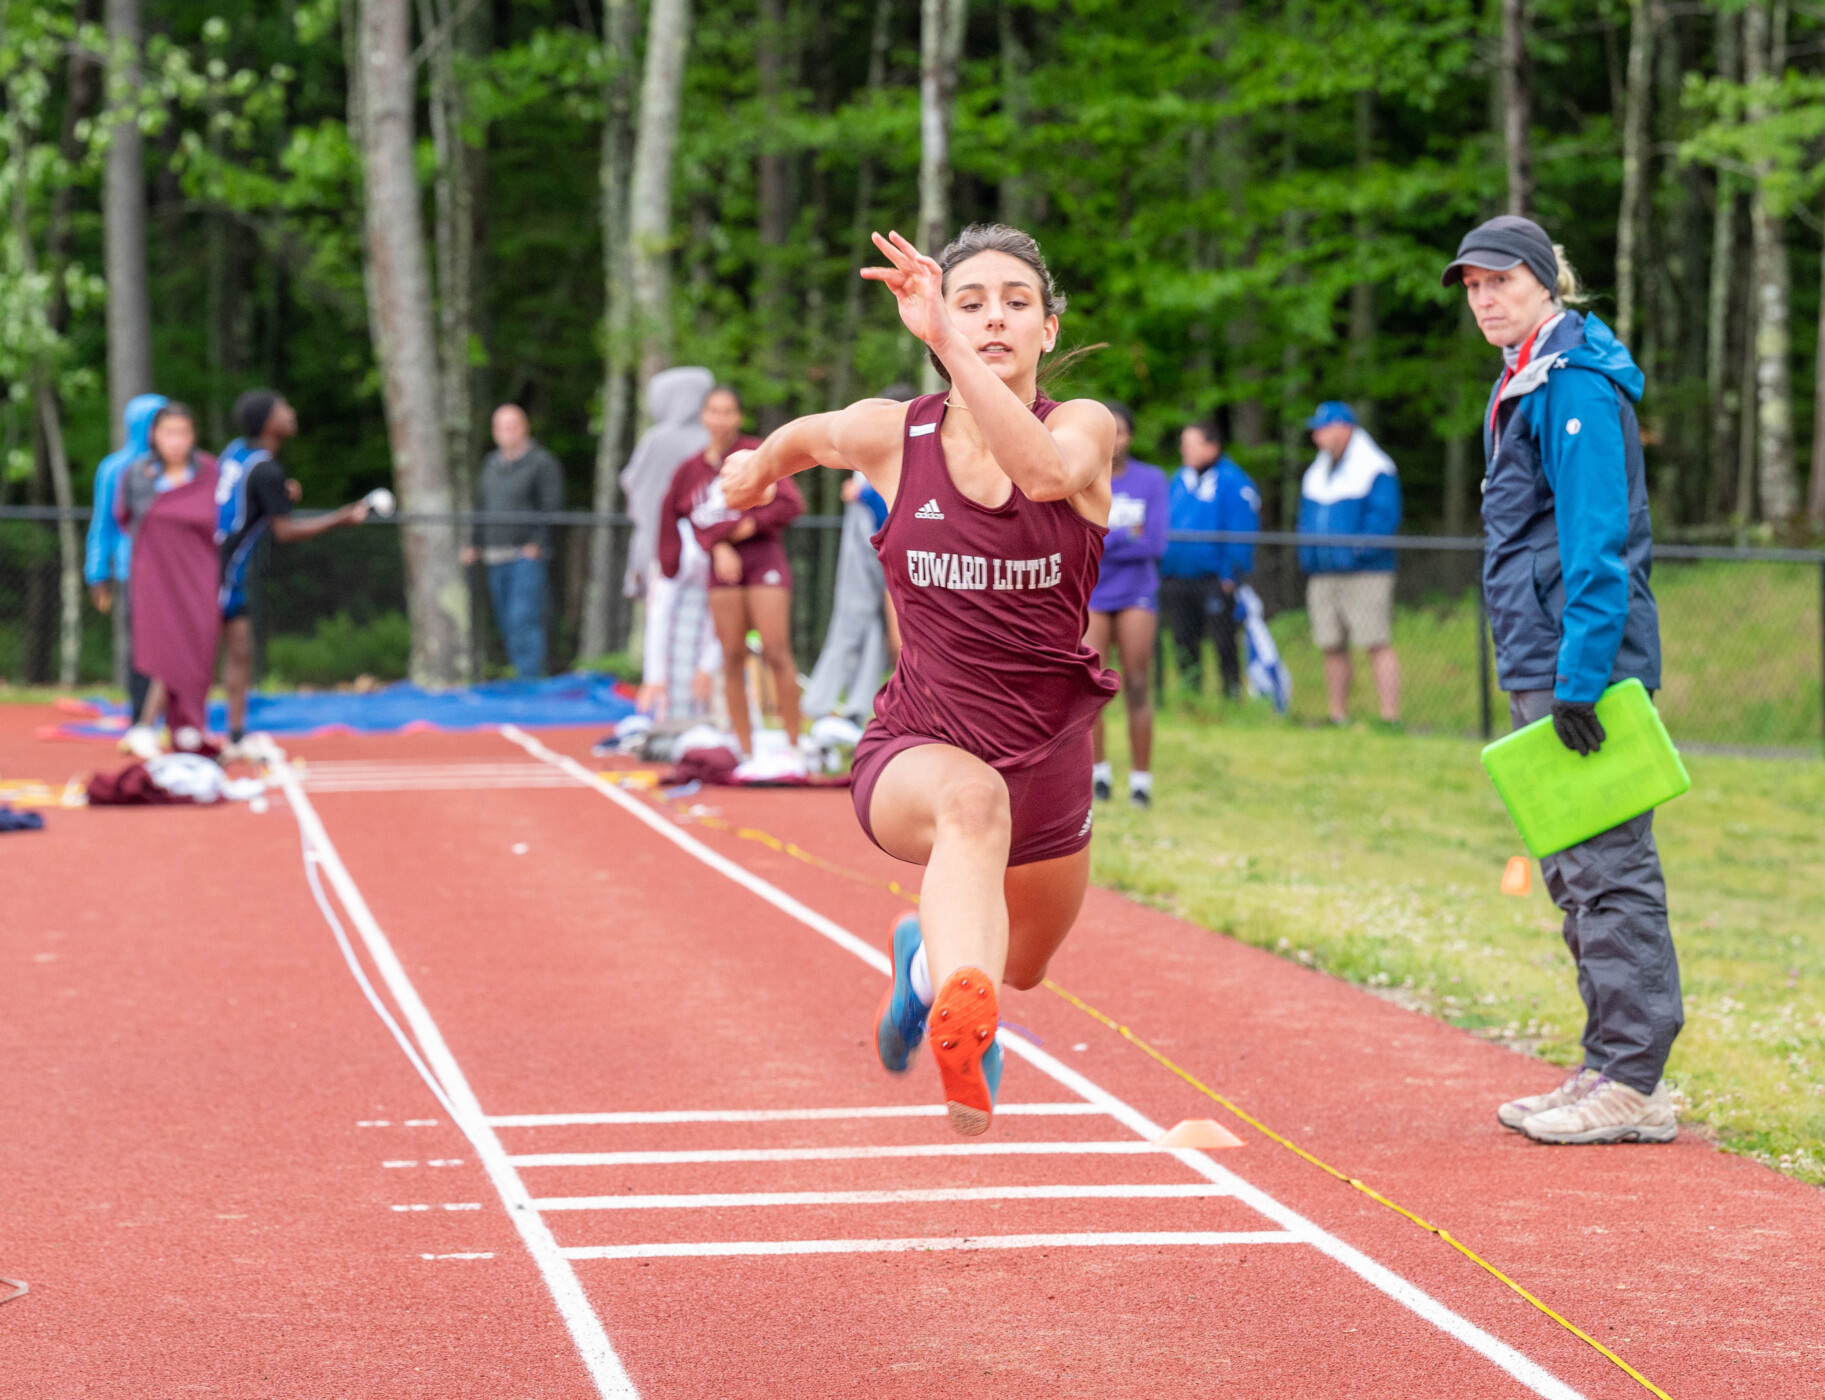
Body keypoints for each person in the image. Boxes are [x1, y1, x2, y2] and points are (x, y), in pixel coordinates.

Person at [716, 223, 1119, 1137]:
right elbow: (806, 437)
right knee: (971, 806)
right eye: (969, 302)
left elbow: (1046, 475)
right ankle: (967, 1034)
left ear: (1048, 330)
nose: (993, 319)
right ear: (941, 313)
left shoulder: (1083, 428)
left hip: (1048, 753)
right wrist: (753, 468)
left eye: (1017, 303)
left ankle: (925, 977)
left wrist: (942, 340)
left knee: (1024, 964)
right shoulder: (895, 435)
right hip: (919, 745)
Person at [1443, 214, 1678, 1145]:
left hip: (1582, 665)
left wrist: (1579, 676)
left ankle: (1635, 1082)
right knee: (1572, 867)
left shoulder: (1573, 384)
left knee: (1608, 866)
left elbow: (1596, 543)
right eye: (1471, 286)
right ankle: (1607, 1062)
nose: (1483, 298)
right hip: (1542, 657)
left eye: (1500, 280)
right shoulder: (1530, 377)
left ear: (1545, 281)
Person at [658, 385, 804, 763]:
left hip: (762, 559)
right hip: (720, 570)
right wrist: (708, 549)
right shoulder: (689, 472)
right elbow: (673, 515)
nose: (720, 419)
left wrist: (741, 530)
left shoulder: (755, 453)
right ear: (703, 417)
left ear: (738, 417)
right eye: (713, 411)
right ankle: (746, 749)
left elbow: (790, 503)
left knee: (775, 649)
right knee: (732, 655)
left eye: (728, 412)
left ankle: (794, 745)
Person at [217, 391, 370, 745]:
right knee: (196, 653)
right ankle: (153, 726)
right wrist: (339, 518)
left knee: (240, 650)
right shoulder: (268, 468)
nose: (292, 412)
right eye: (284, 408)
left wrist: (278, 495)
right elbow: (285, 531)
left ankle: (236, 734)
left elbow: (244, 495)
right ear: (269, 423)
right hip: (219, 571)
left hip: (225, 569)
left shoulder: (237, 451)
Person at [802, 383, 916, 725]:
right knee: (860, 628)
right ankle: (834, 707)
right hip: (875, 556)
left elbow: (902, 507)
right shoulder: (869, 450)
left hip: (906, 560)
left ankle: (884, 709)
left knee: (901, 642)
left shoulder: (919, 450)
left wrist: (863, 495)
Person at [116, 404, 220, 752]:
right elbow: (125, 519)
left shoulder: (209, 472)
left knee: (195, 644)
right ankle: (145, 725)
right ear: (154, 437)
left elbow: (229, 510)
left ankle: (189, 725)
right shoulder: (137, 475)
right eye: (168, 433)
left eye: (183, 433)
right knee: (160, 644)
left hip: (198, 574)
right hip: (155, 576)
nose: (176, 441)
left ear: (193, 437)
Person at [1296, 400, 1403, 726]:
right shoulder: (1318, 470)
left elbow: (1384, 519)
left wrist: (1355, 552)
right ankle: (1337, 715)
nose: (1317, 436)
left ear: (1345, 428)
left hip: (1366, 572)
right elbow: (1306, 519)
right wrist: (1309, 556)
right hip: (1323, 572)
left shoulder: (1375, 467)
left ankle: (1389, 718)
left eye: (1323, 428)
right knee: (1331, 644)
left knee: (1375, 641)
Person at [617, 367, 716, 714]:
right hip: (708, 546)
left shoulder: (657, 440)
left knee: (661, 622)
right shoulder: (709, 438)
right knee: (705, 627)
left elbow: (633, 485)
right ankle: (693, 704)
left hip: (662, 543)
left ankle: (663, 703)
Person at [1084, 402, 1168, 806]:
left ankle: (1141, 781)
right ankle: (1098, 775)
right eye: (1108, 431)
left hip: (1136, 593)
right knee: (1092, 685)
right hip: (1095, 593)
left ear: (1131, 436)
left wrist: (1107, 537)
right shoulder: (1083, 479)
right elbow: (1084, 543)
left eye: (1121, 430)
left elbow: (1154, 543)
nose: (1114, 439)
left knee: (1136, 684)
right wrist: (1123, 535)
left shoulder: (1151, 481)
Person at [462, 404, 564, 678]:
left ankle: (530, 681)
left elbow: (552, 506)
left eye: (513, 426)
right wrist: (474, 543)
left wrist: (537, 543)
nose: (508, 432)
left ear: (524, 427)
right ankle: (520, 676)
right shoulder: (490, 465)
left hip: (525, 557)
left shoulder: (542, 462)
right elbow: (481, 507)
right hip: (494, 556)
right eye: (502, 427)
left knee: (525, 620)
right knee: (507, 622)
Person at [1159, 419, 1258, 698]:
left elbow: (1242, 530)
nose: (1184, 450)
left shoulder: (1234, 482)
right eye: (1183, 444)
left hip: (1215, 579)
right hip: (1177, 577)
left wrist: (1231, 573)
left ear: (1212, 446)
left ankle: (1232, 695)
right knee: (1182, 641)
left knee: (1224, 640)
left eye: (1191, 444)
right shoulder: (1178, 480)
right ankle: (1191, 697)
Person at [86, 392, 166, 722]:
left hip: (174, 569)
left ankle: (171, 713)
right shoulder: (115, 468)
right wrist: (96, 573)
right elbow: (102, 523)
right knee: (141, 647)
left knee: (175, 643)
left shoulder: (177, 467)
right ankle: (140, 717)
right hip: (133, 570)